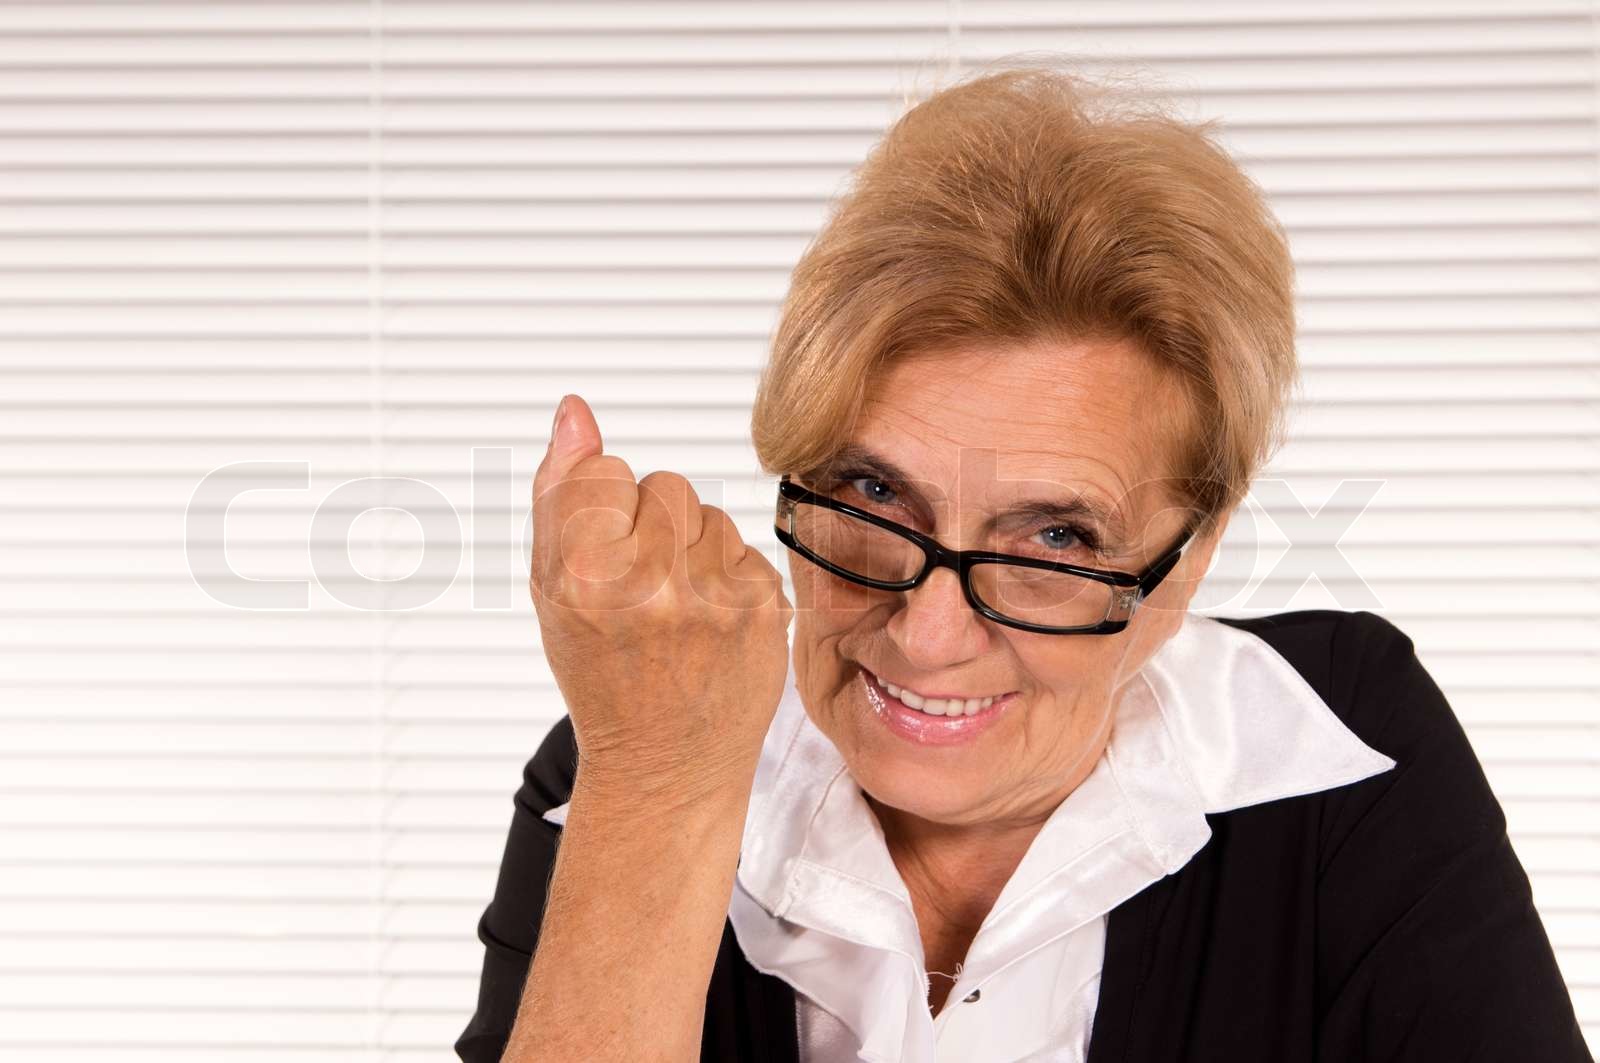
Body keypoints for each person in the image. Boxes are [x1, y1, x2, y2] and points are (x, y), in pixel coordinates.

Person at [456, 64, 1593, 1062]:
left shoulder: (1336, 745)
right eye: (871, 493)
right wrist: (657, 786)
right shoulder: (633, 758)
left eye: (1055, 538)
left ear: (1184, 566)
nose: (927, 634)